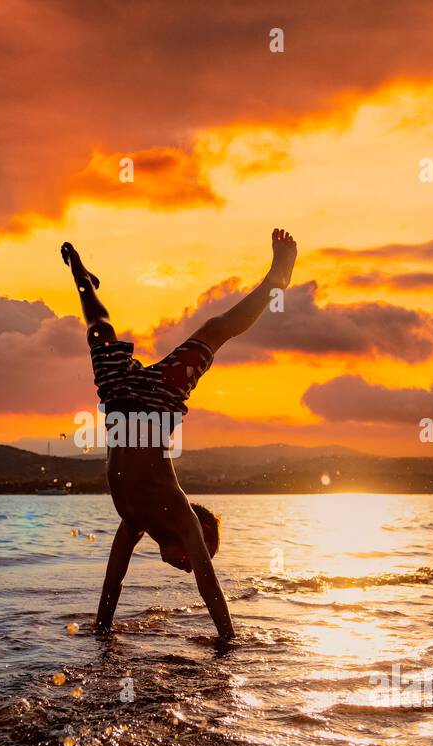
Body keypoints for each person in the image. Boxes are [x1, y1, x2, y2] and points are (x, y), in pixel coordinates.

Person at [60, 229, 298, 640]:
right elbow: (209, 584)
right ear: (197, 539)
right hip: (159, 400)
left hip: (118, 398)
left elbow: (113, 580)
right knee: (215, 329)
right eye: (196, 558)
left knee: (98, 331)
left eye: (193, 563)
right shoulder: (179, 511)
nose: (190, 568)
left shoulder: (133, 522)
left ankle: (83, 279)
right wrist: (228, 637)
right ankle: (276, 280)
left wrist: (102, 631)